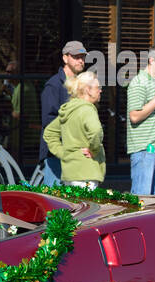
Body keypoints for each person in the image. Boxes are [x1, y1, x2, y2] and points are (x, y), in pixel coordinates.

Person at [42, 71, 105, 189]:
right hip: (86, 172)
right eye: (98, 87)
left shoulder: (68, 109)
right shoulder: (87, 109)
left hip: (69, 172)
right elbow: (96, 131)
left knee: (74, 207)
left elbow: (49, 133)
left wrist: (63, 153)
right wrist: (94, 149)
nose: (100, 90)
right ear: (88, 90)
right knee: (88, 207)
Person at [125, 45, 155, 195]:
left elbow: (149, 116)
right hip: (145, 149)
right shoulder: (139, 82)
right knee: (143, 201)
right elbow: (134, 116)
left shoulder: (153, 82)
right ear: (152, 60)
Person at [37, 41, 87, 181]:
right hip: (56, 155)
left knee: (73, 202)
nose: (81, 60)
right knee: (54, 200)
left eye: (83, 57)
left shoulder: (81, 86)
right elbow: (49, 120)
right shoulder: (53, 85)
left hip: (77, 155)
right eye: (76, 56)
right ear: (65, 58)